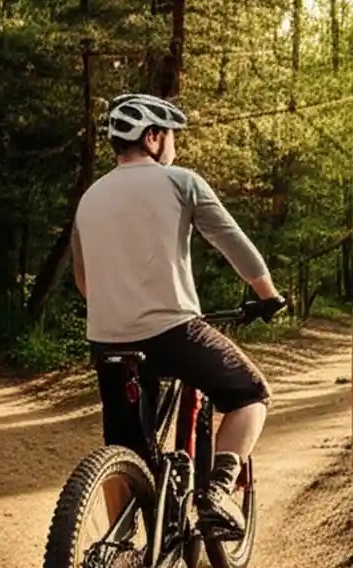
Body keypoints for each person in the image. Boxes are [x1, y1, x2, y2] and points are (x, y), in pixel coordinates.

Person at [71, 92, 285, 541]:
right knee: (251, 395)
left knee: (125, 450)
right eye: (170, 137)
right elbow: (236, 246)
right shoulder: (180, 181)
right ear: (151, 137)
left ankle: (121, 549)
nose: (175, 148)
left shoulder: (89, 198)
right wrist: (267, 295)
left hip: (108, 340)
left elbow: (83, 279)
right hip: (173, 331)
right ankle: (217, 493)